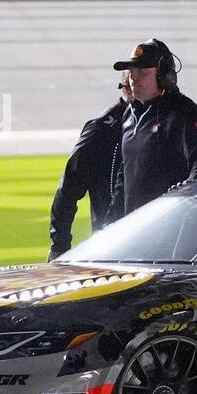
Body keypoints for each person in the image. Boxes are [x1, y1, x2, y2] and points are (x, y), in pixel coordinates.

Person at [112, 38, 197, 214]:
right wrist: (110, 222)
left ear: (164, 77)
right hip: (135, 227)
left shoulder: (183, 112)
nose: (134, 78)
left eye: (143, 72)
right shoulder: (130, 114)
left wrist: (185, 204)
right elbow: (123, 178)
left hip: (170, 227)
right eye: (132, 72)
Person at [48, 72, 131, 261]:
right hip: (113, 245)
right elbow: (69, 188)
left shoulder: (164, 121)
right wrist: (59, 246)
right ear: (125, 87)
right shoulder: (102, 129)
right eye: (129, 83)